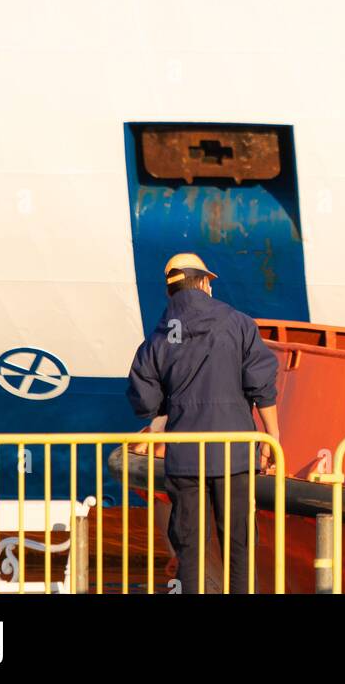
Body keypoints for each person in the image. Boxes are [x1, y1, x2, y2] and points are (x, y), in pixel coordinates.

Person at [126, 252, 280, 595]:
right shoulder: (238, 323)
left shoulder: (160, 336)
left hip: (184, 458)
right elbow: (262, 386)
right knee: (239, 544)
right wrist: (273, 441)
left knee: (189, 546)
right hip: (235, 455)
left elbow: (145, 399)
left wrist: (166, 410)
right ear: (205, 282)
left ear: (171, 291)